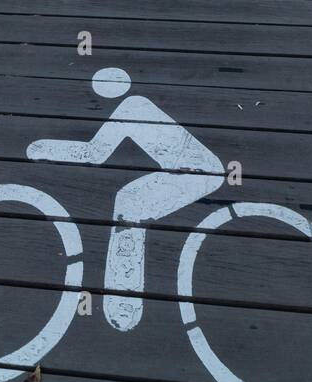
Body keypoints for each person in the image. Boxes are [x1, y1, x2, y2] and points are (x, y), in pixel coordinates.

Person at [27, 68, 225, 331]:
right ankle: (123, 292)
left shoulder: (133, 107)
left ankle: (123, 297)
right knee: (129, 200)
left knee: (129, 202)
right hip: (196, 170)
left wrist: (45, 148)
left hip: (198, 174)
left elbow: (95, 153)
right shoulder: (135, 104)